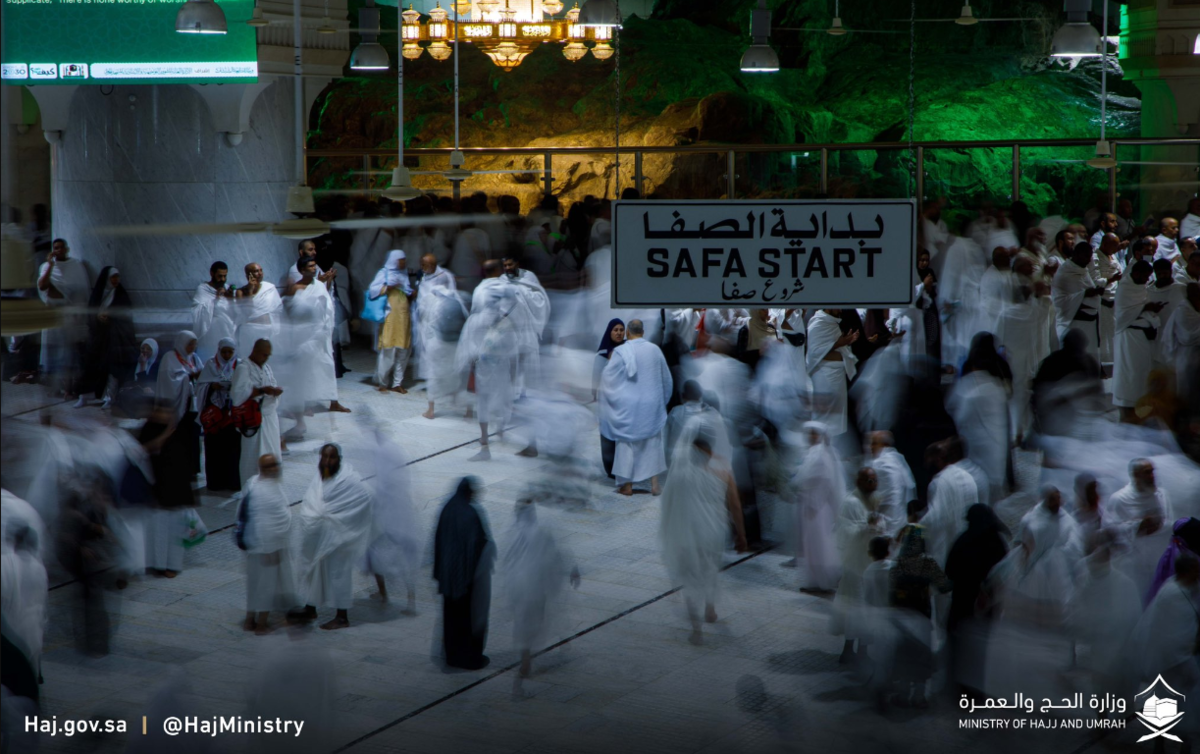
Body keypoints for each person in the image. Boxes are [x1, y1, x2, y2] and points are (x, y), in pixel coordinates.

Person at [660, 423, 747, 646]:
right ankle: (710, 609)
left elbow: (669, 505)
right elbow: (735, 505)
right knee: (710, 568)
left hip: (689, 532)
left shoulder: (680, 473)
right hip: (715, 531)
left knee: (690, 578)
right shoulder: (723, 468)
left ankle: (696, 630)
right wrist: (741, 535)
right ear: (710, 449)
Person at [295, 444, 373, 630]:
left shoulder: (348, 478)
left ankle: (342, 617)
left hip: (339, 538)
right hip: (320, 535)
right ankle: (310, 608)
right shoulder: (321, 474)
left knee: (339, 575)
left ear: (339, 459)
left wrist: (343, 521)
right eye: (324, 457)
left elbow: (367, 495)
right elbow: (314, 499)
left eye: (332, 457)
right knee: (314, 570)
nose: (327, 461)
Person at [506, 498, 579, 680]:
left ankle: (526, 661)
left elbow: (507, 560)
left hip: (523, 588)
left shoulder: (514, 533)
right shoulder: (541, 533)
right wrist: (572, 570)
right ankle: (535, 655)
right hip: (537, 588)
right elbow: (557, 555)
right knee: (537, 621)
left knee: (524, 623)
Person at [599, 319, 673, 496]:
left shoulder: (621, 351)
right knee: (653, 443)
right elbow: (666, 379)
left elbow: (608, 377)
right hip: (651, 404)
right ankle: (655, 485)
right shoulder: (655, 350)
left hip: (629, 406)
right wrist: (662, 401)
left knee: (626, 444)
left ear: (627, 333)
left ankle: (627, 485)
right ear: (643, 332)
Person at [944, 504, 1008, 696]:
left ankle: (962, 688)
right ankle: (980, 687)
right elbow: (1004, 573)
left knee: (962, 645)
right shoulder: (997, 542)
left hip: (963, 601)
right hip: (987, 604)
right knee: (983, 647)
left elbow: (950, 571)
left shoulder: (963, 540)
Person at [433, 477, 495, 670]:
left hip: (448, 578)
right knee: (467, 619)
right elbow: (478, 544)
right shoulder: (470, 514)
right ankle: (469, 658)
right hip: (466, 580)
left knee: (451, 618)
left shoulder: (448, 508)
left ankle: (452, 656)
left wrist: (440, 572)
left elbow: (438, 540)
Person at [887, 526, 952, 709]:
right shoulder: (928, 563)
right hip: (922, 617)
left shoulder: (898, 563)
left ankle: (902, 694)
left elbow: (890, 590)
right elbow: (945, 586)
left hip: (901, 618)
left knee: (903, 656)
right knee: (921, 656)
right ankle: (919, 696)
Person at [282, 256, 350, 422]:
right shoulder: (295, 287)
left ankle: (334, 401)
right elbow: (287, 309)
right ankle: (306, 403)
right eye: (310, 266)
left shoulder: (318, 285)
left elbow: (327, 307)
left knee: (327, 365)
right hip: (303, 334)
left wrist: (326, 329)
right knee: (307, 369)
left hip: (320, 332)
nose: (314, 269)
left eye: (314, 266)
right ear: (302, 270)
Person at [362, 426, 420, 614]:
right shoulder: (395, 451)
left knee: (376, 550)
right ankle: (405, 599)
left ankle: (387, 594)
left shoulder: (383, 452)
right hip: (401, 513)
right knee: (402, 556)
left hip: (389, 514)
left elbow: (381, 484)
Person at [138, 402, 199, 579]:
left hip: (177, 489)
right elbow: (142, 452)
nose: (163, 416)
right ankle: (156, 564)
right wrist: (164, 436)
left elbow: (188, 460)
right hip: (156, 488)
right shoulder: (148, 430)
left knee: (175, 531)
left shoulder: (180, 431)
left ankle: (172, 565)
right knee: (156, 531)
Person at [948, 333, 1011, 500]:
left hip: (974, 450)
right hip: (996, 451)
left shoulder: (966, 384)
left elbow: (956, 412)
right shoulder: (997, 385)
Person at [240, 453, 295, 635]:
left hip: (254, 545)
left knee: (254, 585)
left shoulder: (252, 484)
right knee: (266, 586)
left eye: (276, 464)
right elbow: (268, 522)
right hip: (268, 548)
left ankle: (249, 620)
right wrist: (270, 548)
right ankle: (261, 624)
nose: (275, 469)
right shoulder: (266, 489)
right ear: (262, 469)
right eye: (271, 466)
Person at [834, 467, 883, 665]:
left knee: (869, 610)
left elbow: (880, 525)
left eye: (875, 480)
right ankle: (848, 651)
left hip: (870, 565)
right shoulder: (850, 502)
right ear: (859, 482)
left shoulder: (874, 499)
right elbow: (845, 533)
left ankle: (863, 650)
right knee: (856, 610)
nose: (873, 484)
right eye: (869, 480)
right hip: (856, 566)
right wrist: (867, 528)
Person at [794, 422, 846, 594]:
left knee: (820, 545)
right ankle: (814, 581)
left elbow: (825, 481)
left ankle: (824, 581)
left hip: (818, 507)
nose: (811, 436)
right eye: (810, 433)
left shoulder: (823, 455)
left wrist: (813, 500)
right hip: (809, 506)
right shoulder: (811, 453)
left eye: (814, 433)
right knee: (811, 545)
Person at [1107, 458, 1172, 595]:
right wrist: (1138, 526)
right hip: (1134, 567)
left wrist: (1158, 526)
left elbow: (1169, 524)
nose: (1152, 476)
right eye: (1147, 472)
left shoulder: (1161, 495)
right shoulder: (1119, 499)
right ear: (1136, 475)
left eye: (1152, 472)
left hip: (1159, 561)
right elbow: (1111, 532)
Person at [1113, 261, 1166, 419]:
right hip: (1129, 336)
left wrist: (1150, 311)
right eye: (1144, 276)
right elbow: (1123, 315)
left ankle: (1141, 400)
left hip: (1144, 337)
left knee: (1142, 370)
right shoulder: (1125, 288)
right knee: (1130, 370)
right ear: (1136, 273)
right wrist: (1146, 308)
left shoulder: (1142, 287)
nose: (1146, 279)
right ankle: (1128, 402)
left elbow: (1142, 307)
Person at [77, 266, 136, 409]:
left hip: (113, 338)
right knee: (90, 366)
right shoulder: (98, 294)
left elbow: (126, 315)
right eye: (112, 277)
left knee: (111, 368)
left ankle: (109, 397)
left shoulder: (120, 295)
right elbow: (91, 313)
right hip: (98, 337)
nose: (115, 280)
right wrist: (97, 318)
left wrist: (111, 317)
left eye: (117, 277)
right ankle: (84, 396)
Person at [36, 238, 90, 395]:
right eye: (56, 248)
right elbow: (42, 286)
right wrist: (50, 265)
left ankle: (69, 389)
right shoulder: (46, 267)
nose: (58, 250)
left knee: (69, 355)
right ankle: (56, 387)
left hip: (70, 317)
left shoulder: (76, 266)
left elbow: (82, 291)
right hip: (53, 316)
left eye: (61, 247)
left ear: (66, 249)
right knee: (53, 353)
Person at [230, 339, 284, 488]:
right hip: (253, 421)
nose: (266, 358)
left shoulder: (266, 367)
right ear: (255, 351)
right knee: (254, 457)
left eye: (268, 355)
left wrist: (274, 391)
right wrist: (261, 390)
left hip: (270, 418)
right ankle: (252, 491)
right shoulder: (243, 368)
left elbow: (271, 384)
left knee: (272, 453)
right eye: (264, 354)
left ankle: (271, 490)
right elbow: (237, 395)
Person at [920, 439, 980, 566]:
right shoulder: (967, 476)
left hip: (947, 547)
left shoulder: (938, 482)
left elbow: (934, 518)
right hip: (968, 543)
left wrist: (915, 528)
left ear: (938, 460)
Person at [418, 274, 469, 420]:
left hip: (436, 343)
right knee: (460, 374)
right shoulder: (462, 297)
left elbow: (422, 317)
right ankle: (468, 410)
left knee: (434, 374)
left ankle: (431, 410)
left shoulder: (429, 298)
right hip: (456, 343)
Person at [155, 331, 203, 479]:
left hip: (191, 406)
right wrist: (189, 376)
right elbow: (168, 381)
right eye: (190, 344)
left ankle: (192, 469)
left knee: (192, 438)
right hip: (175, 406)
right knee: (177, 438)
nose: (192, 347)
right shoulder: (169, 358)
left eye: (194, 344)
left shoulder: (194, 358)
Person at [196, 337, 242, 493]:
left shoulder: (239, 365)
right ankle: (216, 483)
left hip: (232, 415)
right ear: (219, 351)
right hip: (214, 415)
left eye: (230, 352)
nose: (227, 355)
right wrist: (212, 386)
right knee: (214, 450)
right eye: (224, 352)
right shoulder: (210, 364)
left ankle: (232, 482)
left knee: (233, 450)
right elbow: (200, 387)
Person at [501, 255, 550, 394]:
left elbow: (541, 300)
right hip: (510, 329)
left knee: (527, 361)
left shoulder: (529, 277)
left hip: (527, 329)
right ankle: (512, 394)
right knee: (511, 363)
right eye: (505, 266)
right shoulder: (502, 280)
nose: (507, 268)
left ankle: (529, 393)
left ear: (517, 263)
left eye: (510, 265)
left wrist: (521, 293)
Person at [806, 309, 859, 436]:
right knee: (823, 411)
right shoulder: (817, 322)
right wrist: (839, 343)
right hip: (824, 373)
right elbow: (814, 352)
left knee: (837, 414)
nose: (840, 310)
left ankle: (835, 442)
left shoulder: (833, 323)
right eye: (837, 307)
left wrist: (846, 342)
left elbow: (835, 345)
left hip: (838, 374)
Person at [369, 250, 414, 394]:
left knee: (403, 350)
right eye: (401, 259)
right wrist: (388, 287)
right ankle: (382, 382)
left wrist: (411, 293)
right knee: (388, 349)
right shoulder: (384, 273)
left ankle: (397, 383)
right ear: (394, 260)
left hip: (403, 317)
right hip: (390, 316)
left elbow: (407, 291)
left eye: (404, 259)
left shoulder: (403, 274)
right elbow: (372, 290)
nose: (403, 262)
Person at [1051, 242, 1104, 362]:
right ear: (1076, 254)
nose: (1088, 260)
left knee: (1089, 360)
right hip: (1074, 324)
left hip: (1090, 325)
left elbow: (1087, 290)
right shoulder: (1064, 272)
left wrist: (1095, 292)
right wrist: (1084, 294)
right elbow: (1059, 301)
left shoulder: (1083, 270)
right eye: (1086, 256)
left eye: (1090, 257)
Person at [867, 431, 916, 535]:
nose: (871, 447)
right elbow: (910, 487)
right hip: (901, 517)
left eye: (874, 443)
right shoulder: (898, 459)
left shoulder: (878, 463)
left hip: (886, 519)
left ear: (884, 445)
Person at [593, 318, 625, 476]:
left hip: (623, 401)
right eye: (615, 330)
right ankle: (610, 467)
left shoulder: (627, 350)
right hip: (606, 402)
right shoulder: (602, 353)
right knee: (607, 434)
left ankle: (623, 465)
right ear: (609, 332)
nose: (618, 333)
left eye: (621, 330)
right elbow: (595, 378)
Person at [192, 261, 238, 362]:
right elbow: (198, 311)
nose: (223, 279)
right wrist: (216, 298)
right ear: (212, 273)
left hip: (227, 331)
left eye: (225, 276)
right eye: (220, 276)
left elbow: (236, 314)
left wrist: (230, 299)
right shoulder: (203, 289)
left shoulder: (228, 289)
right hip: (210, 333)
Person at [235, 262, 282, 360]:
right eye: (256, 271)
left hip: (267, 330)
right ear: (248, 275)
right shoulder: (240, 292)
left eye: (261, 270)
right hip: (250, 331)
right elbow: (247, 312)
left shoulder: (269, 288)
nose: (260, 273)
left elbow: (277, 309)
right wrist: (250, 291)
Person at [1163, 283, 1200, 393]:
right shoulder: (1183, 311)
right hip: (1187, 357)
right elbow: (1187, 337)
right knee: (1187, 392)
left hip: (1197, 358)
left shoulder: (1195, 309)